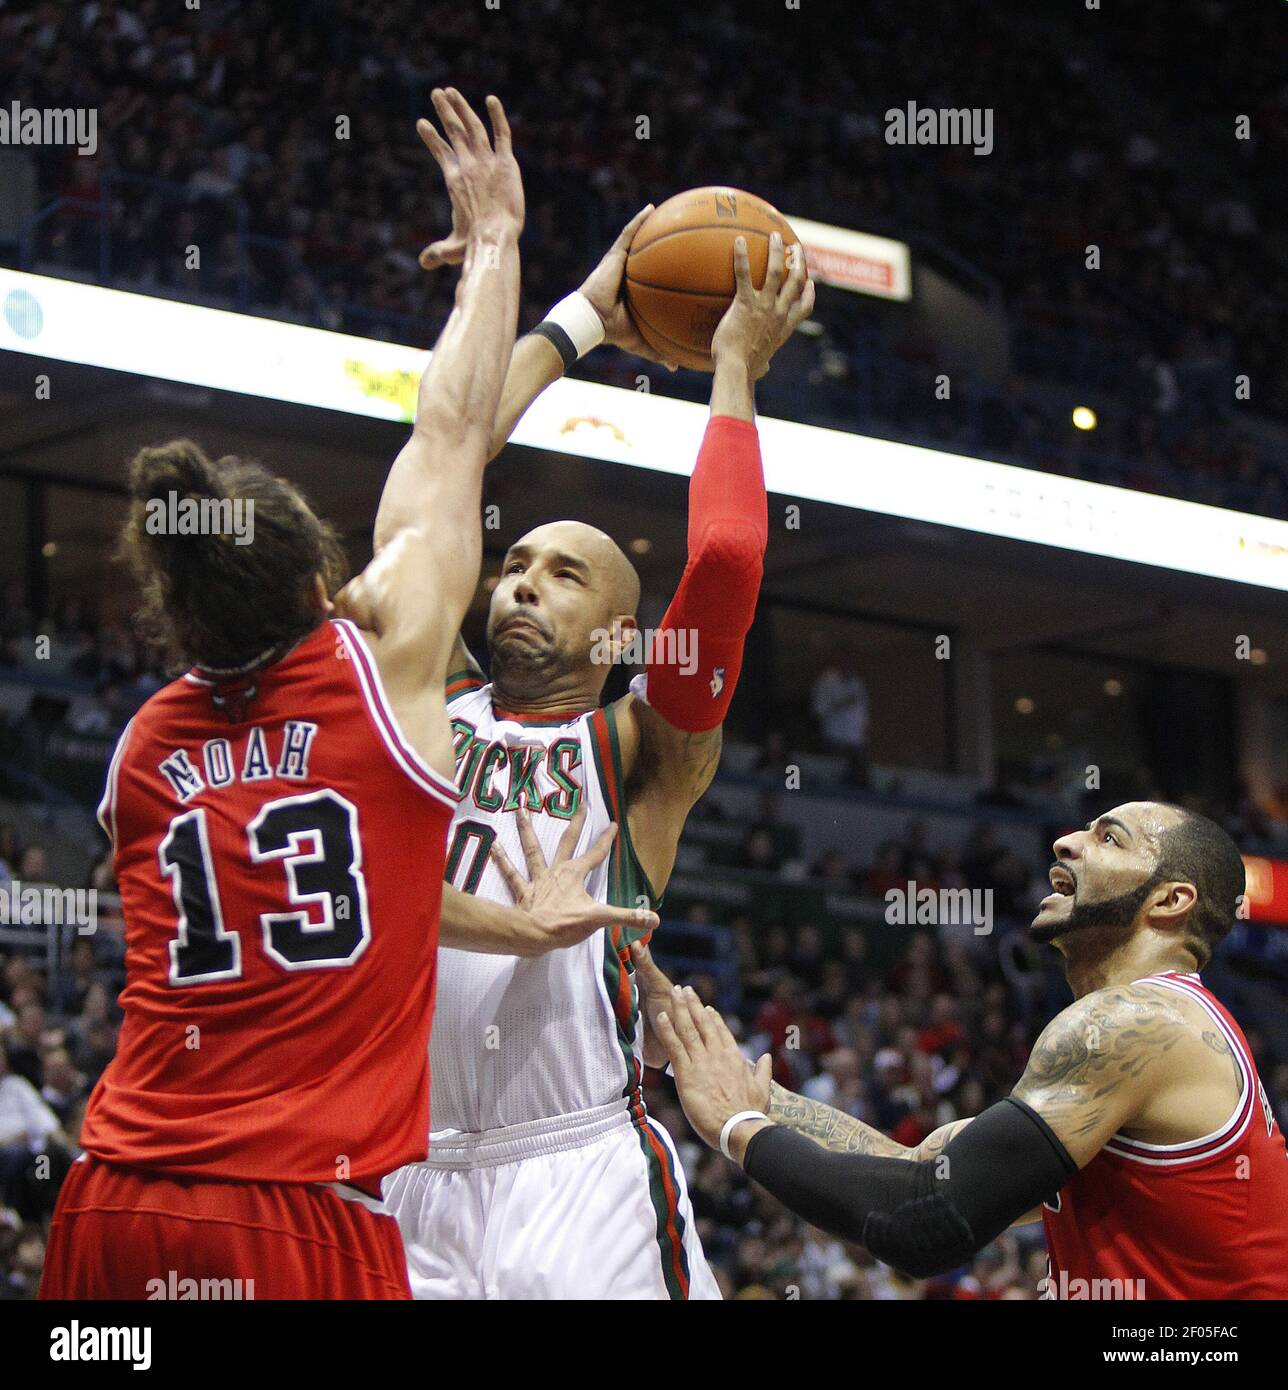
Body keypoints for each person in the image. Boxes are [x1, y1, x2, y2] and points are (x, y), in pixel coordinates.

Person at [39, 90, 652, 1301]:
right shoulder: (378, 679)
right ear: (331, 588)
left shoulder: (141, 752)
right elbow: (451, 429)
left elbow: (312, 881)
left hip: (110, 1198)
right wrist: (500, 252)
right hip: (296, 1216)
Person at [384, 224, 814, 1298]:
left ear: (622, 637)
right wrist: (582, 315)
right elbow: (447, 447)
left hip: (576, 1172)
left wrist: (730, 367)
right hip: (400, 1170)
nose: (523, 581)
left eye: (566, 574)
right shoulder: (421, 695)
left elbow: (724, 557)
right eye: (516, 562)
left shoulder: (639, 748)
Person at [645, 801, 1288, 1299]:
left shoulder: (1136, 1023)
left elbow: (920, 1224)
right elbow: (918, 1165)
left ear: (1171, 901)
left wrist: (738, 1129)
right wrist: (729, 1078)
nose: (1066, 841)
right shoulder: (1155, 1032)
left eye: (1108, 838)